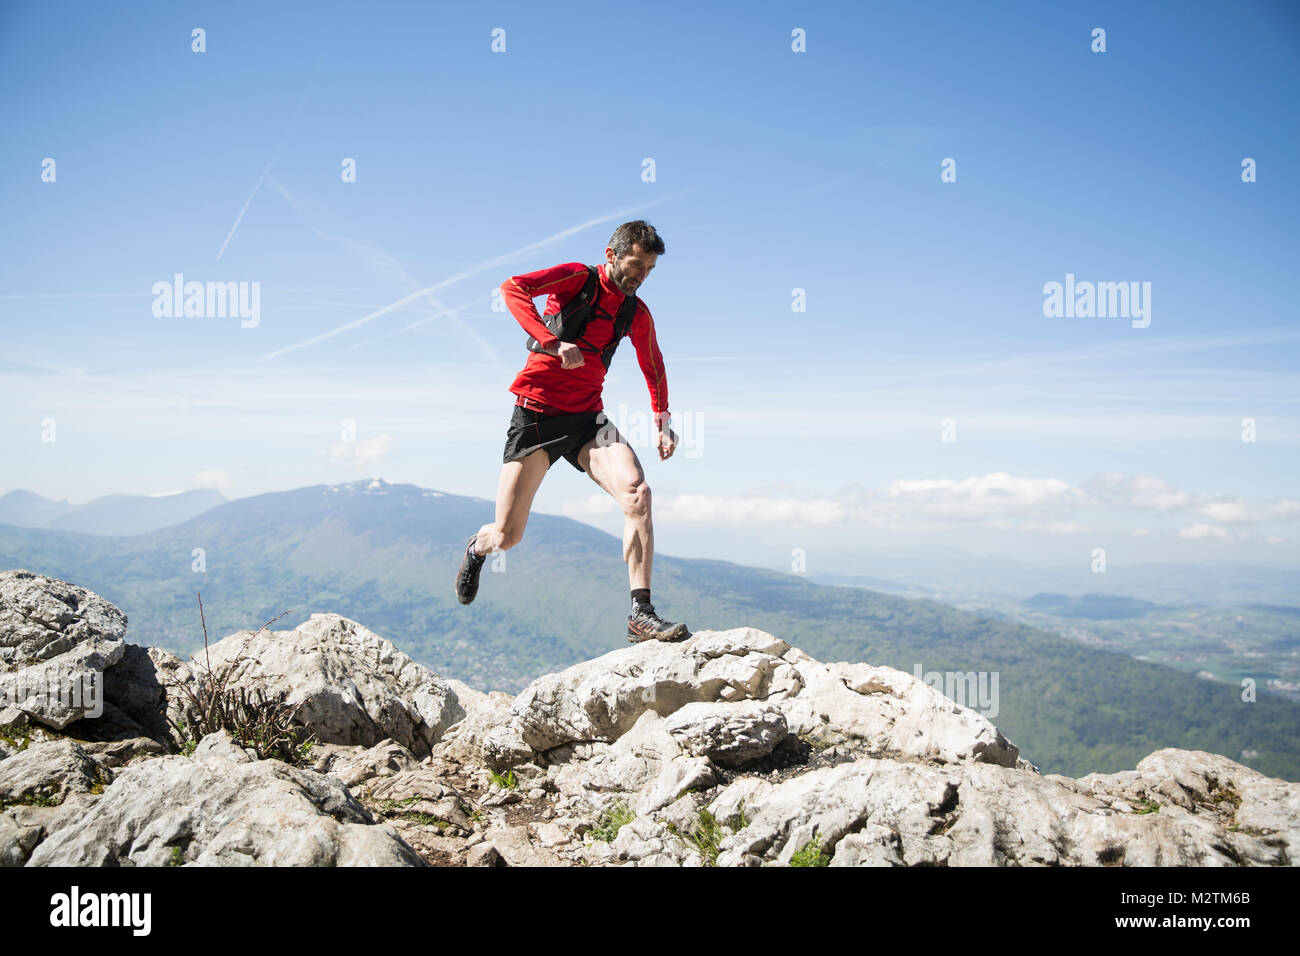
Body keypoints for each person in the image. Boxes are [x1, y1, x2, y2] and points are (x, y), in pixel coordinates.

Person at [455, 220, 689, 643]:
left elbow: (652, 363)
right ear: (612, 255)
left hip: (586, 418)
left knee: (638, 493)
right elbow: (512, 287)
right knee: (508, 535)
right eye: (636, 265)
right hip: (537, 415)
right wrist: (549, 341)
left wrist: (662, 419)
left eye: (649, 270)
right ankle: (476, 548)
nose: (641, 276)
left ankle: (641, 614)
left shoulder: (635, 312)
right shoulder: (578, 279)